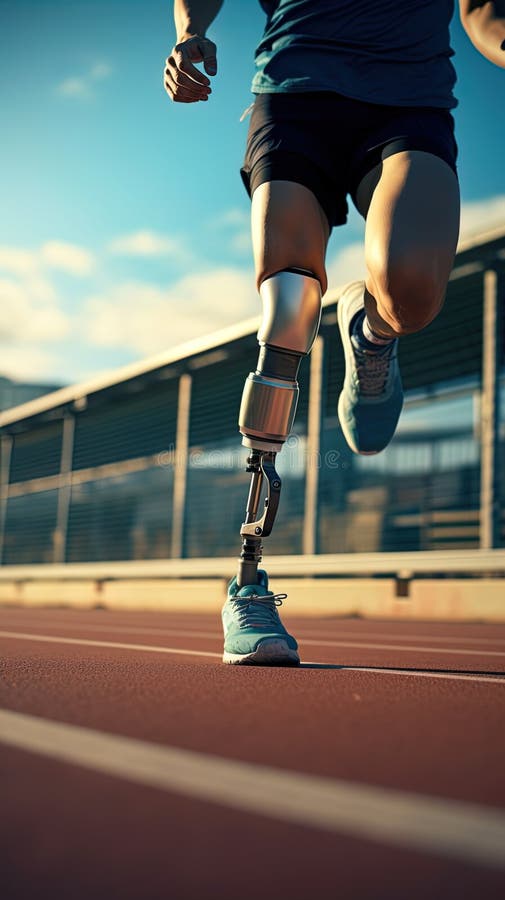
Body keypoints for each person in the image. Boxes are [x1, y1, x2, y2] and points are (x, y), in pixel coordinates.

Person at [165, 1, 505, 666]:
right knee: (286, 310)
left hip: (409, 103)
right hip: (295, 97)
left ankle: (372, 335)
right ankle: (248, 576)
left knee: (410, 288)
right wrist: (190, 34)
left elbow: (482, 11)